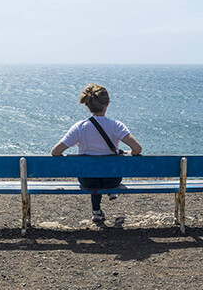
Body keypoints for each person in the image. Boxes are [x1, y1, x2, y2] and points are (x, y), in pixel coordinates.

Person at [51, 83, 142, 223]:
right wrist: (130, 153)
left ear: (87, 105)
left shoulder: (79, 128)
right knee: (111, 160)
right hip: (112, 180)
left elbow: (56, 152)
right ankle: (110, 192)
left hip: (88, 180)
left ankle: (96, 212)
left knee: (92, 170)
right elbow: (137, 148)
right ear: (107, 104)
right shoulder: (116, 126)